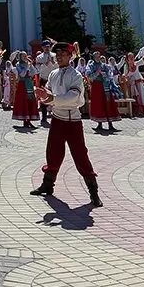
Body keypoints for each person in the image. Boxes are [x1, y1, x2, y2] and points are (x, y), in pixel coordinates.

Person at [29, 42, 102, 208]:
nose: (59, 56)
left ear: (70, 56)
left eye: (63, 54)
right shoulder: (53, 74)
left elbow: (74, 96)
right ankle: (47, 185)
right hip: (57, 118)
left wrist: (53, 98)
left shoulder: (75, 75)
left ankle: (94, 192)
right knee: (53, 152)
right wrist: (43, 95)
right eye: (58, 54)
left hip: (72, 120)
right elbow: (48, 92)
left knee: (80, 155)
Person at [87, 52, 119, 132]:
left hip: (105, 86)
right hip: (97, 86)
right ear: (93, 57)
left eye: (99, 56)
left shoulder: (104, 65)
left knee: (108, 103)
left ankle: (110, 124)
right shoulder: (91, 65)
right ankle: (99, 124)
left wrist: (105, 75)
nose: (98, 57)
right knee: (99, 104)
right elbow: (89, 76)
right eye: (96, 56)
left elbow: (110, 75)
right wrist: (97, 73)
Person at [11, 53, 40, 129]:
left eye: (25, 55)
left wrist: (31, 65)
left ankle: (29, 120)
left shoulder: (28, 64)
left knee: (30, 101)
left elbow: (34, 72)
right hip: (22, 84)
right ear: (20, 57)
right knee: (24, 102)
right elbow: (22, 74)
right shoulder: (18, 64)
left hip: (29, 83)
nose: (25, 57)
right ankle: (25, 121)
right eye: (23, 56)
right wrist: (27, 67)